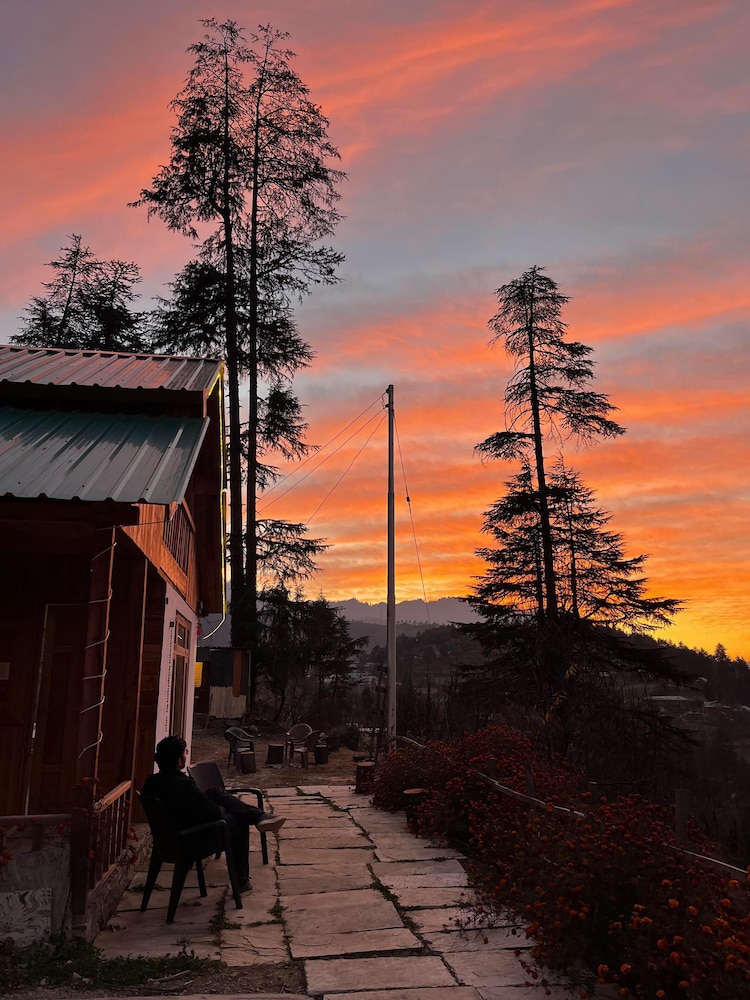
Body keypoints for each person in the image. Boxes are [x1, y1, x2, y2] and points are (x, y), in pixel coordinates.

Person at [142, 735, 285, 891]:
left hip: (170, 838)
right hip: (190, 841)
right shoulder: (183, 785)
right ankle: (241, 880)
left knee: (215, 792)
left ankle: (259, 816)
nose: (185, 755)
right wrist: (225, 809)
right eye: (185, 753)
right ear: (179, 761)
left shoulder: (152, 782)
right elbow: (214, 814)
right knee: (239, 822)